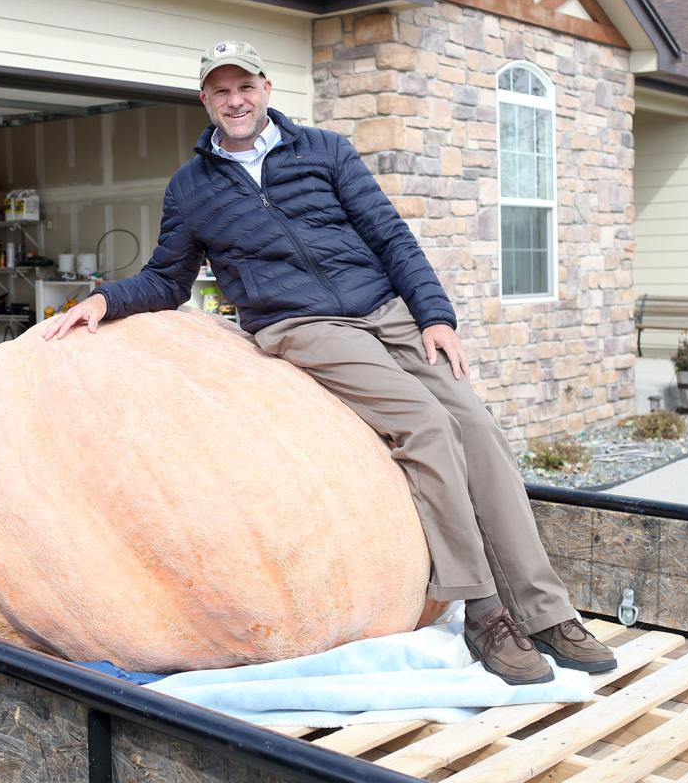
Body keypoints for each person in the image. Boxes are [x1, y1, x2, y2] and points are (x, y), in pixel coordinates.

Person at [43, 40, 615, 685]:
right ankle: (482, 610)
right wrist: (103, 299)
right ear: (204, 100)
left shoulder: (325, 150)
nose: (235, 100)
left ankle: (545, 610)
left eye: (245, 87)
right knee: (425, 424)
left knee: (477, 427)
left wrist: (434, 316)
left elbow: (389, 233)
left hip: (385, 309)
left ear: (265, 88)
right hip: (303, 325)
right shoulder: (192, 187)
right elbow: (166, 280)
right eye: (220, 91)